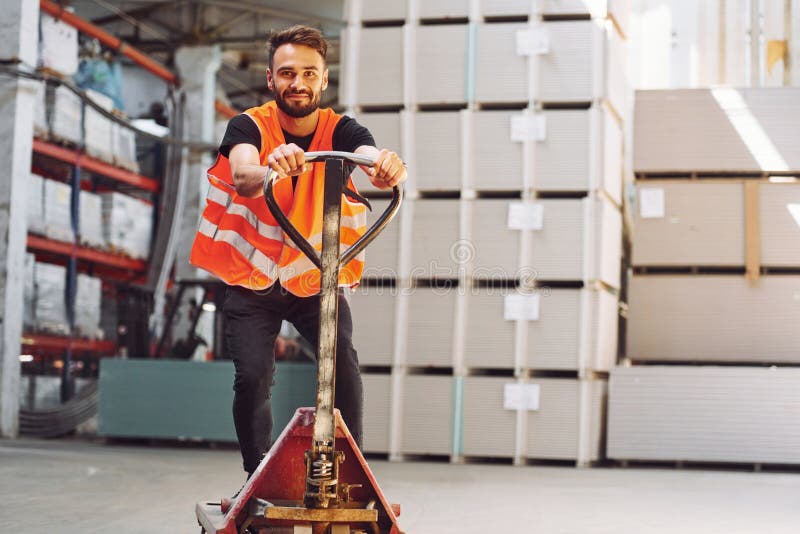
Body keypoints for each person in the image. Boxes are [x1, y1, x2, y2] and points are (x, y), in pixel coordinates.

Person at [190, 25, 406, 478]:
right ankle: (258, 473)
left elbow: (369, 157)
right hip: (253, 280)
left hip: (314, 279)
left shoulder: (341, 129)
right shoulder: (249, 126)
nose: (298, 82)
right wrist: (271, 166)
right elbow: (243, 175)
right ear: (271, 78)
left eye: (309, 73)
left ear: (323, 79)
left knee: (341, 362)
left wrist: (385, 167)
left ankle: (349, 473)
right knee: (252, 376)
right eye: (287, 72)